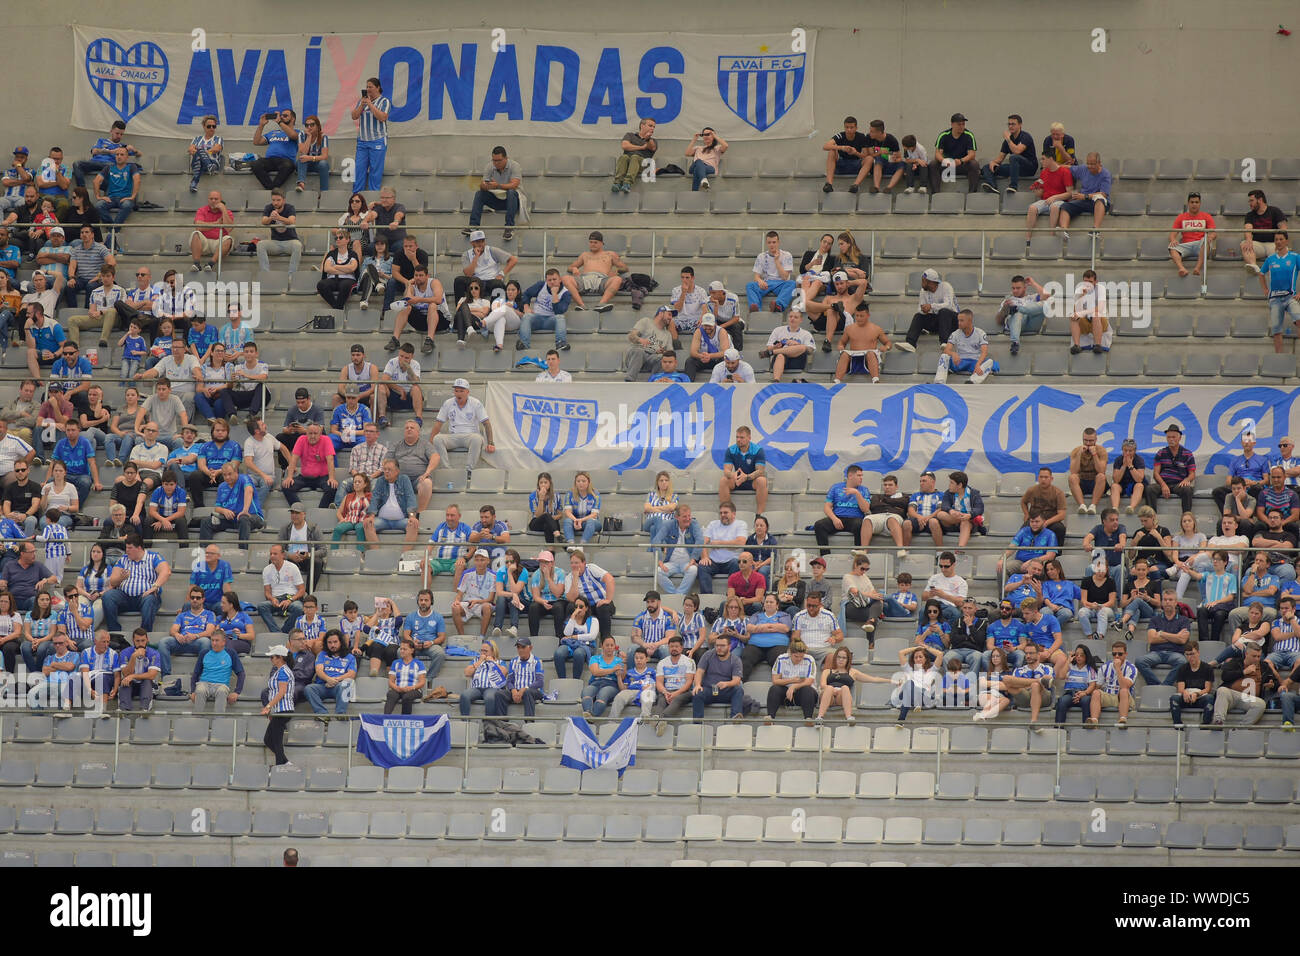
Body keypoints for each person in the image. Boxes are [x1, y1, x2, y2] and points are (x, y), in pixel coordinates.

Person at [101, 535, 169, 634]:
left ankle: (143, 635)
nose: (127, 551)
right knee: (108, 596)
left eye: (130, 548)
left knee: (150, 599)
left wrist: (155, 586)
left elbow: (166, 572)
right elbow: (112, 582)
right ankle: (114, 632)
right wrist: (121, 578)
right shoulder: (123, 559)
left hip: (145, 596)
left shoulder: (153, 557)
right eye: (126, 548)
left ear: (139, 548)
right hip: (125, 597)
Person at [430, 379, 493, 478]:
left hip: (470, 436)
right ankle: (447, 470)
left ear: (467, 392)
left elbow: (487, 423)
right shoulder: (448, 403)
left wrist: (490, 443)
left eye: (461, 391)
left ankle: (469, 471)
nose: (458, 393)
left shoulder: (476, 403)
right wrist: (431, 441)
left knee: (477, 439)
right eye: (456, 390)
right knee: (437, 439)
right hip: (453, 436)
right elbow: (438, 423)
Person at [199, 461, 264, 550]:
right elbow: (217, 508)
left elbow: (249, 491)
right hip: (232, 519)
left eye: (230, 474)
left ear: (236, 472)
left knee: (244, 519)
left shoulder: (244, 478)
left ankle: (242, 552)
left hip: (252, 516)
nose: (227, 477)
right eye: (225, 475)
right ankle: (205, 553)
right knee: (206, 521)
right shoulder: (222, 486)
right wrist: (224, 511)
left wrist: (245, 510)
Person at [1136, 589, 1192, 687]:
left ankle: (1166, 686)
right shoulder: (1155, 620)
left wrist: (1161, 633)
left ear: (1176, 603)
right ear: (1162, 602)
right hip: (1156, 653)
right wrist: (1175, 636)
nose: (1167, 602)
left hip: (1175, 653)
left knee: (1182, 662)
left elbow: (1183, 640)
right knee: (1139, 661)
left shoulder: (1184, 620)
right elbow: (1151, 639)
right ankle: (1156, 685)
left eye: (1170, 600)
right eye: (1165, 600)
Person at [1256, 230, 1300, 353]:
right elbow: (1261, 274)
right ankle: (1279, 358)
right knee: (1276, 330)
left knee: (1299, 319)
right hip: (1275, 299)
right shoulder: (1270, 259)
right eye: (1276, 240)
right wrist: (1265, 289)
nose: (1278, 242)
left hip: (1290, 297)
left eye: (1281, 239)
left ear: (1286, 241)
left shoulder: (1295, 257)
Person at [896, 268, 957, 354]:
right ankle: (911, 343)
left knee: (944, 311)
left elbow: (948, 305)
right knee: (918, 316)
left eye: (923, 281)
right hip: (939, 323)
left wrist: (931, 306)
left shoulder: (946, 286)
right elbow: (920, 309)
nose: (922, 283)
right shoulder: (923, 291)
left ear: (931, 282)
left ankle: (945, 342)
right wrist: (923, 310)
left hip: (952, 322)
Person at [466, 146, 522, 241]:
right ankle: (473, 226)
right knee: (479, 194)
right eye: (494, 160)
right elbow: (483, 185)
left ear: (506, 158)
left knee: (511, 192)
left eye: (499, 160)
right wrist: (485, 186)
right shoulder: (489, 166)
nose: (496, 163)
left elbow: (514, 185)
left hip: (512, 201)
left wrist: (498, 185)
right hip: (497, 199)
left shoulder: (514, 166)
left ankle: (509, 228)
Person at [161, 586, 217, 677]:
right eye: (192, 597)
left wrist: (196, 636)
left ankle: (201, 676)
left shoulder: (209, 614)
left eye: (198, 598)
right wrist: (176, 635)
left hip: (198, 641)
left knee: (206, 642)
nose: (195, 600)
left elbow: (210, 632)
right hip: (182, 641)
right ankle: (166, 676)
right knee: (163, 642)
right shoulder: (182, 615)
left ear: (203, 599)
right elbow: (172, 630)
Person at [1211, 642, 1272, 727]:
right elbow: (1225, 676)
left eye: (1259, 656)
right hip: (1232, 696)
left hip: (1249, 699)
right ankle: (1218, 722)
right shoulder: (1236, 662)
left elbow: (1274, 681)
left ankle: (1241, 728)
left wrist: (1272, 685)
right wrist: (1243, 672)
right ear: (1246, 654)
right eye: (1254, 656)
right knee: (1222, 690)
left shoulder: (1264, 666)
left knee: (1261, 704)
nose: (1257, 659)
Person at [566, 231, 626, 313]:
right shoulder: (584, 255)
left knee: (617, 279)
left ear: (602, 243)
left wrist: (617, 271)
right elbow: (570, 267)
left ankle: (601, 304)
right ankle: (581, 305)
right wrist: (573, 269)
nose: (593, 244)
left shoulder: (610, 254)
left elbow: (625, 268)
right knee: (565, 278)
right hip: (584, 280)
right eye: (591, 242)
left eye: (595, 242)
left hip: (602, 280)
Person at [1055, 153, 1113, 238]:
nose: (1089, 166)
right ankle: (1063, 230)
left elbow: (1103, 194)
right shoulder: (1083, 169)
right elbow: (1069, 168)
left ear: (1099, 163)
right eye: (1088, 163)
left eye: (1092, 164)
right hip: (1083, 201)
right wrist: (1055, 166)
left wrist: (1085, 196)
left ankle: (1095, 230)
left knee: (1099, 199)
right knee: (1065, 206)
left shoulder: (1106, 174)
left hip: (1098, 203)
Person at [935, 308, 998, 384]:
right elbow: (946, 350)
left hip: (974, 362)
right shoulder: (955, 333)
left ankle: (972, 381)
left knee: (990, 362)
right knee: (944, 356)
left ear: (969, 321)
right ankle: (939, 382)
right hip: (960, 362)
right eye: (958, 320)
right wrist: (953, 354)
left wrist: (978, 365)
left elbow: (984, 352)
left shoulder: (980, 333)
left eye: (961, 320)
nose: (959, 323)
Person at [691, 633, 744, 722]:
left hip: (726, 690)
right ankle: (697, 723)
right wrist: (697, 685)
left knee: (738, 690)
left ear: (729, 646)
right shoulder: (708, 655)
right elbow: (699, 672)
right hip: (709, 689)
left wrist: (727, 684)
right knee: (697, 693)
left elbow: (737, 680)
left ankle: (735, 720)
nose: (719, 648)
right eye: (717, 645)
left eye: (722, 646)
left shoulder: (735, 660)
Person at [92, 149, 140, 245]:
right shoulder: (109, 167)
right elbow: (96, 181)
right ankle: (113, 230)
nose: (119, 156)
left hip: (125, 198)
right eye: (117, 154)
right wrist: (98, 196)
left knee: (127, 205)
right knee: (99, 205)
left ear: (127, 157)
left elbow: (137, 180)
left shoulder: (132, 167)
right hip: (111, 198)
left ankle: (113, 231)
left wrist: (133, 196)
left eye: (122, 154)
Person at [518, 269, 574, 352]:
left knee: (560, 317)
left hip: (551, 320)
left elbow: (559, 311)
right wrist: (526, 307)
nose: (552, 282)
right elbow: (526, 294)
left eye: (554, 279)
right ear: (546, 280)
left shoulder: (566, 293)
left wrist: (554, 294)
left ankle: (560, 343)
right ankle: (524, 345)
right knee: (526, 317)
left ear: (560, 279)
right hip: (536, 318)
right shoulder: (541, 285)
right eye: (549, 280)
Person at [188, 631, 244, 714]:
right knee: (199, 690)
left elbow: (241, 673)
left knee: (222, 691)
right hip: (204, 683)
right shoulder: (204, 653)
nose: (214, 643)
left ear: (224, 642)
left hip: (221, 685)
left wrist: (237, 692)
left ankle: (219, 721)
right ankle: (198, 721)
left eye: (217, 640)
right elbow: (195, 673)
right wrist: (192, 691)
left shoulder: (231, 653)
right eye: (212, 640)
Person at [566, 550, 617, 639]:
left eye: (577, 563)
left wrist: (608, 599)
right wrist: (575, 579)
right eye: (572, 563)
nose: (574, 565)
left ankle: (605, 639)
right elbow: (571, 599)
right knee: (570, 607)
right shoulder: (569, 578)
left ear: (584, 563)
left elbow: (609, 579)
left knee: (603, 608)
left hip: (600, 602)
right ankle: (573, 637)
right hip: (586, 607)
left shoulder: (591, 569)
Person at [698, 502, 748, 594]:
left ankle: (730, 596)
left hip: (732, 561)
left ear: (734, 514)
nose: (722, 515)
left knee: (737, 564)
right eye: (720, 513)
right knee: (702, 566)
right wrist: (705, 557)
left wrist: (719, 543)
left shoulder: (741, 524)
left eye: (725, 513)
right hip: (714, 561)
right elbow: (703, 542)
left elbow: (740, 542)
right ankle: (707, 597)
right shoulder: (713, 524)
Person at [980, 114, 1036, 194]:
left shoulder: (1025, 136)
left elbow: (1017, 151)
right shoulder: (1008, 140)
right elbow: (1000, 158)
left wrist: (1009, 140)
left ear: (1020, 125)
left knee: (1014, 157)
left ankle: (1013, 186)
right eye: (1009, 124)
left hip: (1029, 168)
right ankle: (992, 186)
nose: (1010, 126)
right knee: (987, 167)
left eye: (1013, 124)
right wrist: (993, 162)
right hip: (1015, 169)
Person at [653, 504, 703, 596]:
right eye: (684, 516)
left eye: (689, 516)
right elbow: (656, 540)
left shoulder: (694, 524)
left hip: (687, 563)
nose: (688, 519)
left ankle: (678, 596)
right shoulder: (669, 524)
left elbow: (700, 540)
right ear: (677, 517)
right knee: (658, 571)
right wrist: (659, 561)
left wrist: (693, 559)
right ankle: (676, 595)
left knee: (693, 570)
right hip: (672, 562)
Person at [1024, 150, 1074, 241]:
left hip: (1059, 200)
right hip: (1046, 200)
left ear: (1051, 159)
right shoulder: (1044, 172)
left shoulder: (1064, 171)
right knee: (1032, 208)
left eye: (1043, 159)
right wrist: (1036, 190)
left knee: (1055, 207)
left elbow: (1070, 193)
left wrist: (1055, 197)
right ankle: (1028, 239)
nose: (1041, 161)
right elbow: (1041, 193)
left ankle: (1051, 236)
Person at [998, 641, 1053, 724]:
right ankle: (1038, 680)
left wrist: (1024, 684)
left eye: (1031, 653)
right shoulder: (1019, 670)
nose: (1028, 656)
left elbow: (1048, 683)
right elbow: (1011, 684)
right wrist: (1039, 681)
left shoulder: (1047, 668)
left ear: (1038, 654)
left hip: (1043, 698)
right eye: (1026, 653)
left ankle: (1034, 721)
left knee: (1035, 686)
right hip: (1024, 698)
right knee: (1006, 679)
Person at [718, 425, 769, 515]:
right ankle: (727, 512)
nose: (738, 440)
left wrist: (746, 477)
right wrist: (732, 475)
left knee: (762, 480)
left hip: (751, 480)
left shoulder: (758, 450)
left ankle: (760, 515)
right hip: (737, 480)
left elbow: (760, 471)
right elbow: (726, 470)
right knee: (723, 480)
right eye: (737, 437)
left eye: (742, 437)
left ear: (749, 438)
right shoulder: (731, 450)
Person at [650, 635, 696, 729]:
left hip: (683, 691)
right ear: (668, 647)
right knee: (661, 700)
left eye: (676, 646)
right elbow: (659, 682)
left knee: (677, 699)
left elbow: (689, 682)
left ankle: (660, 720)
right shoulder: (662, 662)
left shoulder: (689, 661)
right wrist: (665, 692)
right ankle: (659, 723)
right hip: (666, 691)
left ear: (681, 647)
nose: (674, 649)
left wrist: (676, 693)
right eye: (671, 646)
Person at [258, 544, 305, 635]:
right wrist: (272, 599)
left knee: (299, 608)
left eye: (275, 554)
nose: (272, 556)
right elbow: (267, 592)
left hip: (291, 598)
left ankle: (283, 632)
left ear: (283, 555)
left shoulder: (292, 567)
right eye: (271, 554)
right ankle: (276, 632)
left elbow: (302, 590)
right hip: (276, 599)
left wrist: (290, 600)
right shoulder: (266, 570)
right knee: (261, 606)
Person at [745, 230, 796, 314]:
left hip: (781, 283)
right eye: (769, 242)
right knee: (750, 286)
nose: (772, 245)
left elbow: (785, 277)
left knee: (792, 283)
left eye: (774, 242)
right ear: (766, 243)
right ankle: (756, 308)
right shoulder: (761, 256)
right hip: (767, 283)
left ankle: (778, 306)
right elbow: (756, 276)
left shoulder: (787, 255)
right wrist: (760, 281)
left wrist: (776, 261)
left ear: (778, 242)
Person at [1168, 191, 1216, 277]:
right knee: (1172, 247)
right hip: (1186, 245)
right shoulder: (1181, 217)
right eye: (1192, 202)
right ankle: (1181, 269)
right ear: (1188, 203)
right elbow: (1172, 233)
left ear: (1200, 203)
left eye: (1196, 202)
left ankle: (1197, 268)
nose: (1194, 204)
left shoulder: (1206, 216)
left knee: (1206, 241)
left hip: (1200, 245)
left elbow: (1213, 232)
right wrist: (1173, 239)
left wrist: (1210, 237)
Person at [1168, 641, 1216, 727]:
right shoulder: (1182, 668)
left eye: (1192, 654)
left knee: (1210, 698)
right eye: (1187, 655)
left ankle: (1205, 725)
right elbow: (1180, 688)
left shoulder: (1207, 668)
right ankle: (1178, 725)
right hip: (1186, 697)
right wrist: (1185, 692)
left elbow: (1207, 689)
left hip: (1201, 696)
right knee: (1174, 698)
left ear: (1198, 653)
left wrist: (1196, 694)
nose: (1190, 657)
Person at [928, 113, 980, 193]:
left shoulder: (969, 135)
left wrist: (961, 161)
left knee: (974, 164)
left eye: (963, 124)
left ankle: (972, 193)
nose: (962, 126)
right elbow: (937, 154)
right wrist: (944, 161)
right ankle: (936, 194)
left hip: (961, 164)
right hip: (947, 165)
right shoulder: (943, 135)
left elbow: (972, 154)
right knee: (933, 164)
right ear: (952, 124)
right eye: (959, 124)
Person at [452, 549, 497, 639]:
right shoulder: (467, 573)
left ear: (488, 561)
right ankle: (461, 637)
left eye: (482, 560)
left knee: (487, 607)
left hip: (484, 603)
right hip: (469, 603)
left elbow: (491, 599)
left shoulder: (493, 575)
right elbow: (460, 594)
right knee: (455, 607)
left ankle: (482, 637)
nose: (479, 563)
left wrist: (476, 601)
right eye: (477, 560)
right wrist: (456, 601)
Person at [250, 109, 301, 190]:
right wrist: (261, 125)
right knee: (255, 164)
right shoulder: (274, 132)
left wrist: (279, 122)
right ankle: (272, 189)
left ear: (293, 119)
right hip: (270, 160)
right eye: (281, 115)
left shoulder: (298, 132)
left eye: (285, 116)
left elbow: (293, 136)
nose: (282, 117)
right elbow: (256, 142)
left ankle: (271, 190)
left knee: (288, 165)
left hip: (286, 161)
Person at [761, 309, 815, 382]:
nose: (792, 319)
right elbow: (769, 347)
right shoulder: (778, 330)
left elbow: (810, 350)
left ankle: (772, 353)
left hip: (797, 360)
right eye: (790, 316)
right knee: (780, 355)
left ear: (801, 320)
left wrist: (797, 345)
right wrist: (775, 346)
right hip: (779, 360)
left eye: (796, 317)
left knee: (803, 347)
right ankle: (776, 380)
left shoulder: (806, 334)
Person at [1019, 466, 1069, 546]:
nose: (1043, 479)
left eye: (1046, 477)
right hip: (1034, 520)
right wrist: (1026, 514)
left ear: (1051, 479)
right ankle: (1024, 551)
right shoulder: (1031, 490)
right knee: (1024, 529)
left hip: (1051, 521)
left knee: (1060, 529)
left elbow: (1062, 515)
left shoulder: (1058, 493)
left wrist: (1047, 522)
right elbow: (1023, 502)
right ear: (1038, 478)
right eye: (1041, 477)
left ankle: (1057, 554)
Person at [460, 638, 509, 717]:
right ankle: (465, 722)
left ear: (493, 652)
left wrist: (493, 662)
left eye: (485, 651)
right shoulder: (476, 660)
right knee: (464, 695)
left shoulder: (499, 662)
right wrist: (479, 662)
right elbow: (467, 673)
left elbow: (504, 673)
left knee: (490, 698)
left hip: (492, 688)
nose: (483, 653)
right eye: (481, 650)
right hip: (477, 688)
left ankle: (489, 723)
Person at [1052, 644, 1099, 726]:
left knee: (1086, 701)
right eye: (1076, 655)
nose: (1078, 657)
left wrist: (1084, 693)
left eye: (1081, 655)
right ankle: (1058, 728)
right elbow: (1061, 676)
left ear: (1086, 656)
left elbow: (1092, 685)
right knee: (1062, 701)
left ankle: (1087, 726)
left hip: (1083, 693)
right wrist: (1068, 661)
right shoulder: (1070, 666)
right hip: (1070, 693)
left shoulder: (1090, 669)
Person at [623, 306, 674, 381]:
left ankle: (655, 382)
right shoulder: (646, 321)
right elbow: (631, 336)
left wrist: (664, 352)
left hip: (651, 358)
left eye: (672, 316)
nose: (671, 318)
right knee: (639, 351)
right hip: (635, 356)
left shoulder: (667, 334)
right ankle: (629, 380)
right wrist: (640, 340)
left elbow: (670, 353)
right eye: (669, 314)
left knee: (661, 358)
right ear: (661, 313)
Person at [822, 116, 870, 193]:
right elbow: (825, 146)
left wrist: (855, 152)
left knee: (869, 159)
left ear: (856, 128)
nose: (849, 130)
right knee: (831, 151)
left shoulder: (861, 137)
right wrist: (842, 147)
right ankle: (829, 184)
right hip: (842, 164)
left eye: (851, 127)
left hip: (856, 165)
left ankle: (855, 185)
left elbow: (865, 156)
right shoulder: (840, 135)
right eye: (847, 127)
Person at [117, 627, 161, 712]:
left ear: (147, 640)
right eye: (137, 641)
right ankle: (124, 710)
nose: (140, 643)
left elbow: (151, 675)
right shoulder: (125, 652)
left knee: (147, 681)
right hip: (131, 684)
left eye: (143, 640)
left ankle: (144, 709)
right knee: (125, 681)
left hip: (146, 685)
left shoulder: (154, 653)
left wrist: (133, 676)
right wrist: (133, 657)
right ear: (133, 640)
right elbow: (126, 673)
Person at [555, 595, 599, 678]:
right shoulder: (571, 619)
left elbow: (592, 636)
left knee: (578, 653)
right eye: (576, 606)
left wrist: (574, 637)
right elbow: (567, 634)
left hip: (587, 645)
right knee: (558, 653)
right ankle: (562, 680)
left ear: (586, 608)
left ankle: (576, 680)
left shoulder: (593, 620)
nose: (578, 609)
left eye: (581, 606)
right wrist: (572, 618)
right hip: (571, 645)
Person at [502, 636, 546, 718]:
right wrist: (513, 690)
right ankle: (502, 723)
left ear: (530, 648)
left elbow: (540, 682)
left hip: (532, 691)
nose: (520, 650)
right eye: (518, 647)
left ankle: (529, 722)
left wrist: (525, 688)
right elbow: (509, 681)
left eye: (523, 647)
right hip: (517, 691)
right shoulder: (513, 661)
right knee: (499, 694)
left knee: (527, 692)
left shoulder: (537, 661)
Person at [610, 646, 657, 720]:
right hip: (631, 691)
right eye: (636, 658)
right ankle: (611, 721)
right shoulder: (629, 672)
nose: (638, 660)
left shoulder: (652, 672)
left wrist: (649, 686)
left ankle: (645, 719)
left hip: (646, 691)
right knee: (619, 697)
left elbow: (656, 685)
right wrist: (619, 677)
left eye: (641, 658)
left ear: (647, 659)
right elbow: (623, 689)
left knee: (648, 694)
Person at [491, 549, 530, 638]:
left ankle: (514, 627)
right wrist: (512, 595)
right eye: (506, 562)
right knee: (501, 598)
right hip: (508, 602)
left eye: (511, 561)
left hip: (523, 602)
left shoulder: (523, 571)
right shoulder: (501, 571)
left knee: (514, 598)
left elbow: (516, 591)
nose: (508, 564)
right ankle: (497, 628)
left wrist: (509, 573)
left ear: (516, 561)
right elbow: (499, 592)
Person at [612, 118, 657, 194]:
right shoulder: (630, 135)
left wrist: (648, 138)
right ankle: (617, 183)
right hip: (628, 162)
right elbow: (625, 146)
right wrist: (641, 147)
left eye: (654, 127)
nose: (652, 128)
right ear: (642, 126)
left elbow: (652, 147)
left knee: (635, 157)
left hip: (643, 164)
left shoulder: (652, 141)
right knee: (624, 157)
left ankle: (627, 184)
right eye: (650, 126)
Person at [894, 647, 940, 721]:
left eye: (920, 657)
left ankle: (901, 720)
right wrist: (917, 648)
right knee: (908, 685)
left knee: (907, 690)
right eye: (916, 657)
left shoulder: (931, 670)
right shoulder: (909, 669)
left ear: (926, 659)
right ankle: (916, 703)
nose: (918, 659)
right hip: (910, 696)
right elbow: (901, 653)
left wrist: (926, 647)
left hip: (923, 698)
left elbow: (940, 654)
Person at [1077, 559, 1118, 639]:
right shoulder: (1086, 581)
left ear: (1106, 570)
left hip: (1105, 608)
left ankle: (1100, 636)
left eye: (1103, 570)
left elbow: (1111, 602)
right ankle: (1089, 635)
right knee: (1081, 612)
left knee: (1102, 612)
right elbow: (1083, 600)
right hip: (1090, 607)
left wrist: (1101, 606)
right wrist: (1092, 605)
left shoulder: (1111, 582)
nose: (1100, 573)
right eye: (1099, 570)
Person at [561, 471, 601, 546]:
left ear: (588, 482)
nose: (580, 483)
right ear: (575, 483)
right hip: (575, 520)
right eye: (578, 481)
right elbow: (567, 512)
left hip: (592, 522)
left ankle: (581, 545)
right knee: (567, 521)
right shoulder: (570, 494)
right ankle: (571, 544)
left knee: (590, 521)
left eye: (583, 481)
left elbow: (594, 515)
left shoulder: (595, 494)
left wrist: (581, 520)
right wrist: (576, 520)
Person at [685, 127, 727, 191]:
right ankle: (704, 180)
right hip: (694, 166)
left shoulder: (717, 148)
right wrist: (694, 140)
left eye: (708, 134)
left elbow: (725, 146)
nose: (706, 136)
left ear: (713, 136)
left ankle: (694, 192)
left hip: (710, 168)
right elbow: (687, 153)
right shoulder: (698, 148)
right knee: (699, 161)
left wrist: (715, 135)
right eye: (704, 135)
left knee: (697, 169)